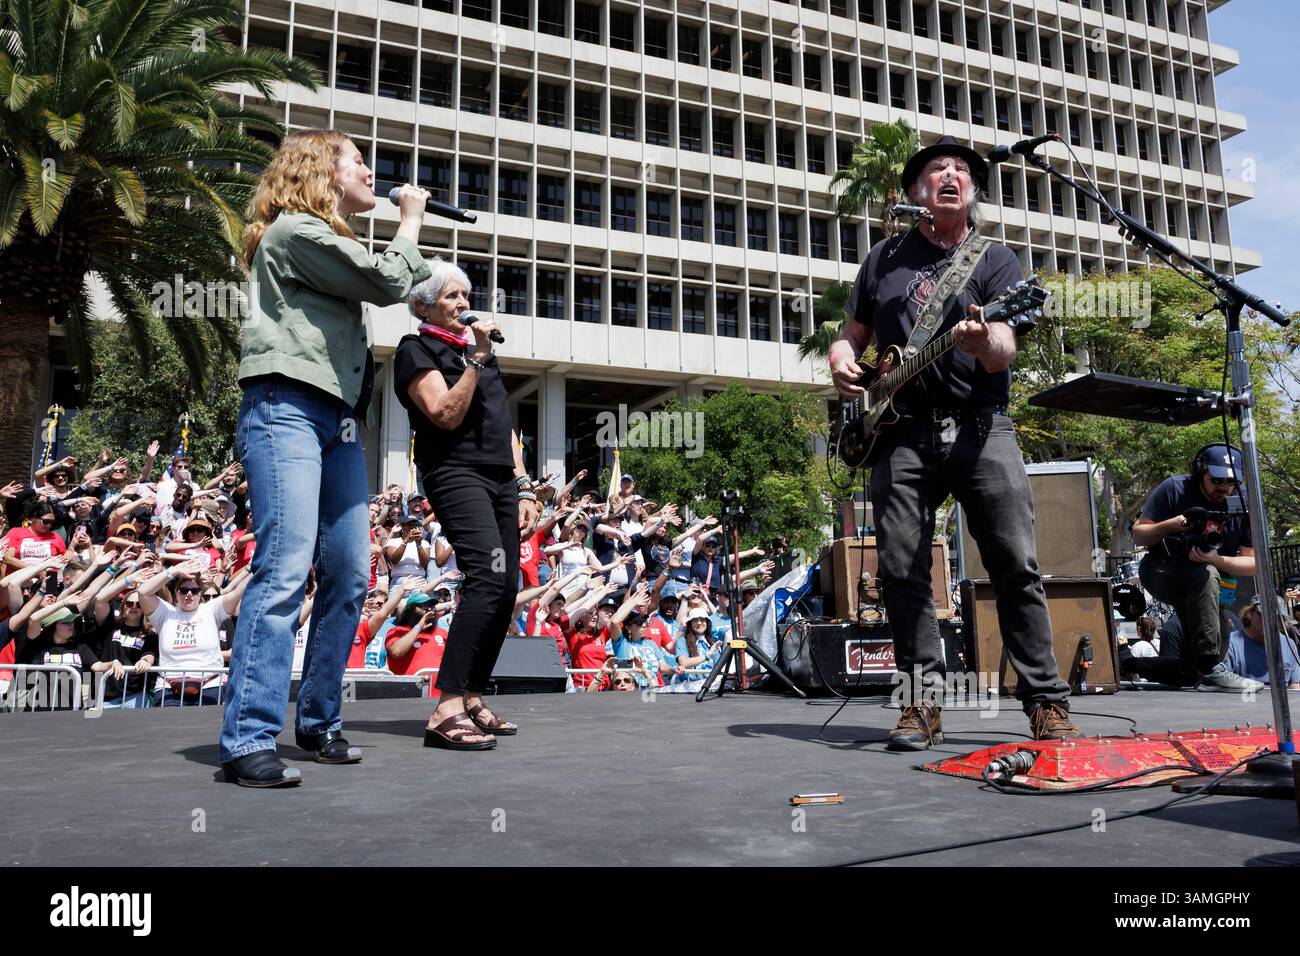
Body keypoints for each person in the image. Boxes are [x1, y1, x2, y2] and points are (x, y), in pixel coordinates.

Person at [828, 135, 1080, 750]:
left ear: (973, 191)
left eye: (961, 170)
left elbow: (1004, 350)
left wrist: (980, 342)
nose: (950, 175)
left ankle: (1046, 702)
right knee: (901, 570)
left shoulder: (996, 260)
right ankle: (922, 705)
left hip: (981, 426)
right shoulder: (884, 259)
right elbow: (852, 333)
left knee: (1015, 565)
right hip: (900, 433)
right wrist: (840, 358)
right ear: (918, 191)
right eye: (937, 169)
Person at [219, 129, 433, 786]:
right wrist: (412, 219)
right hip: (285, 406)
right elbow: (387, 278)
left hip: (334, 418)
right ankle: (248, 737)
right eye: (359, 162)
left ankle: (317, 721)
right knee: (284, 568)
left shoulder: (327, 243)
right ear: (321, 171)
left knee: (348, 572)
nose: (372, 171)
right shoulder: (294, 233)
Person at [394, 258, 539, 750]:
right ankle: (446, 705)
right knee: (484, 577)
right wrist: (474, 359)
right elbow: (444, 413)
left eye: (466, 295)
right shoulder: (416, 349)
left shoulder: (482, 356)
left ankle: (473, 694)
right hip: (457, 474)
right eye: (452, 296)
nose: (463, 303)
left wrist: (523, 487)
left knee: (504, 586)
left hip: (501, 479)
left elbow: (507, 428)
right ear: (424, 304)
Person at [1130, 444, 1264, 693]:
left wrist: (1215, 559)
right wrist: (1171, 525)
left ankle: (1134, 664)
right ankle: (1213, 669)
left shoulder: (1243, 502)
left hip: (1207, 581)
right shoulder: (1175, 488)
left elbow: (1253, 563)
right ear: (1199, 473)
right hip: (1162, 570)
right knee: (1206, 577)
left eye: (1231, 482)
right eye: (1216, 480)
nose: (1224, 488)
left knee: (1197, 667)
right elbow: (1138, 535)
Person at [1225, 596, 1300, 688]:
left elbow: (1295, 686)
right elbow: (1225, 686)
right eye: (1263, 614)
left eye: (1276, 616)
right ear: (1249, 613)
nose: (1269, 620)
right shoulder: (1231, 644)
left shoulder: (1288, 644)